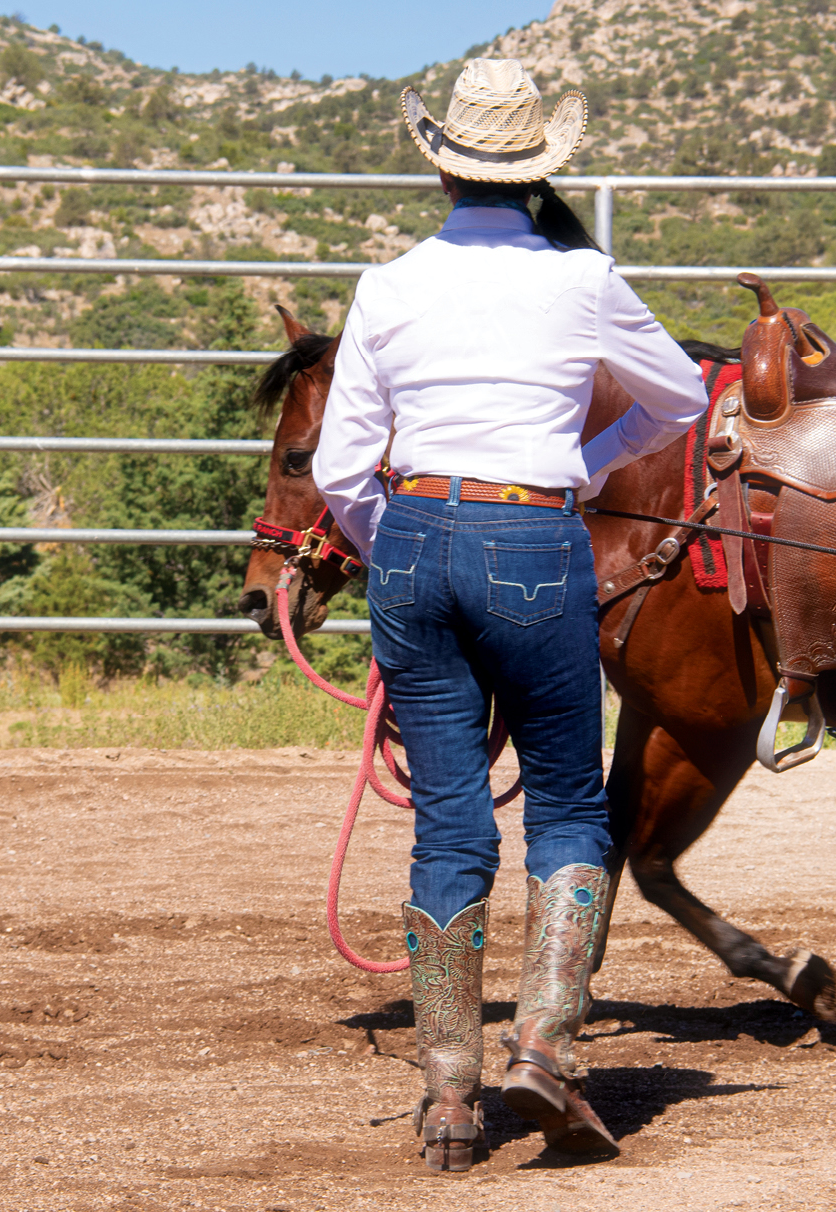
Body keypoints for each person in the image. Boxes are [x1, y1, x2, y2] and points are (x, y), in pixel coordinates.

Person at [311, 57, 709, 1170]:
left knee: (449, 824)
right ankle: (544, 1043)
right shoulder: (581, 280)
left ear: (440, 171)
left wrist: (398, 554)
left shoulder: (388, 286)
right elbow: (679, 398)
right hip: (535, 536)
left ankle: (447, 1100)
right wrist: (583, 461)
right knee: (572, 804)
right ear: (538, 171)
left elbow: (346, 470)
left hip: (415, 538)